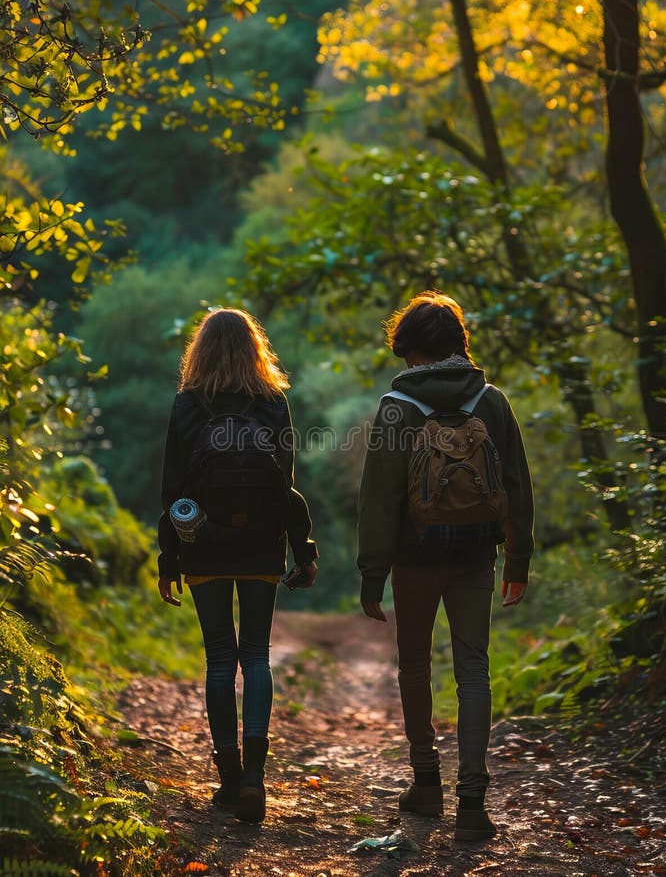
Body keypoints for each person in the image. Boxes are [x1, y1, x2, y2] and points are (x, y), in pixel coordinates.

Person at [357, 291, 534, 841]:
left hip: (415, 558)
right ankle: (474, 803)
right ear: (458, 343)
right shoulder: (492, 401)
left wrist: (372, 572)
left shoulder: (397, 407)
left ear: (412, 349)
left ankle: (427, 785)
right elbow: (517, 484)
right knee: (473, 668)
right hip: (476, 555)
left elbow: (378, 496)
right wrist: (518, 558)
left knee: (414, 666)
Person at [157, 308, 318, 823]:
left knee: (219, 661)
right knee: (256, 656)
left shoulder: (187, 405)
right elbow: (286, 487)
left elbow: (172, 489)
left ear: (199, 351)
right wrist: (303, 550)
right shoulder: (273, 404)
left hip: (203, 542)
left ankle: (227, 777)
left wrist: (168, 560)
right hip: (261, 546)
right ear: (256, 349)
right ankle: (255, 777)